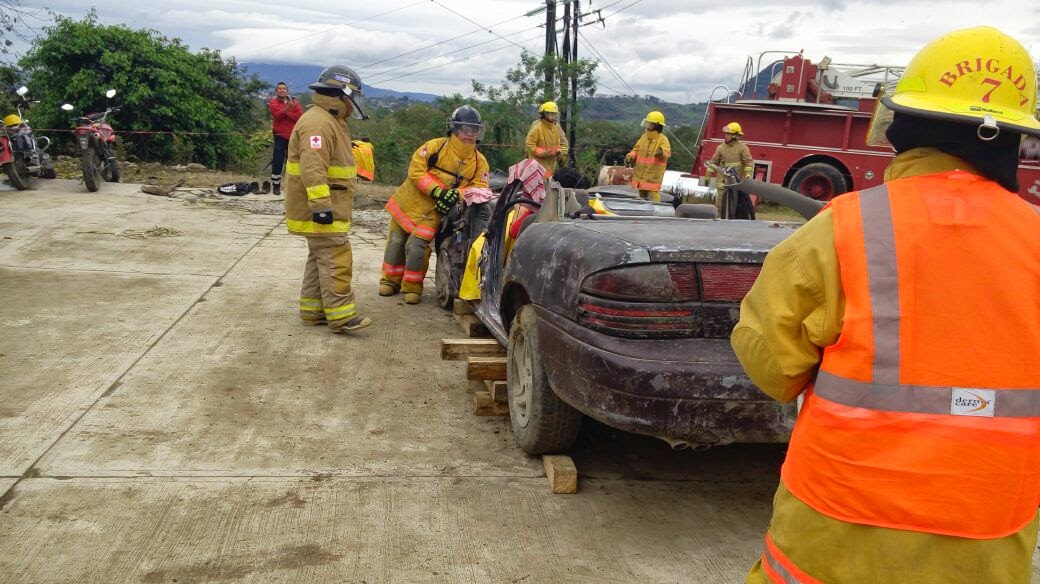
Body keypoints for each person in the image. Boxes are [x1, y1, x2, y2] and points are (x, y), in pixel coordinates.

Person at [732, 26, 1040, 583]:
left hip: (840, 522)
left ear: (908, 124)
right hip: (988, 532)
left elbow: (770, 361)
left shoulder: (846, 228)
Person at [285, 65, 371, 334]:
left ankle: (313, 312)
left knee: (319, 256)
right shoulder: (319, 123)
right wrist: (321, 207)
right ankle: (342, 317)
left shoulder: (327, 119)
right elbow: (313, 167)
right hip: (324, 207)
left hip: (326, 204)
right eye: (352, 96)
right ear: (340, 94)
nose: (354, 102)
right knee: (336, 257)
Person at [380, 105, 489, 305]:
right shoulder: (434, 147)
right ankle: (390, 281)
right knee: (395, 242)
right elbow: (416, 172)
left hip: (432, 213)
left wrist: (456, 194)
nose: (471, 134)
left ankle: (412, 287)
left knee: (417, 246)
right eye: (466, 129)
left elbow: (481, 188)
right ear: (454, 129)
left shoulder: (479, 161)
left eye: (475, 130)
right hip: (408, 203)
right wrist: (437, 191)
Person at [704, 122, 753, 216]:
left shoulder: (743, 148)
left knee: (736, 206)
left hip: (736, 183)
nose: (725, 136)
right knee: (719, 204)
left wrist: (748, 174)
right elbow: (713, 163)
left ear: (735, 136)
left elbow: (748, 163)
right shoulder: (720, 148)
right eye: (725, 133)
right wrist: (708, 176)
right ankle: (719, 221)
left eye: (728, 134)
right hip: (722, 182)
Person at [624, 111, 671, 201]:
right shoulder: (644, 137)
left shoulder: (663, 140)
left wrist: (661, 152)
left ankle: (657, 212)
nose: (647, 125)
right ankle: (642, 213)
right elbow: (636, 150)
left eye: (649, 123)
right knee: (642, 197)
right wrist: (630, 156)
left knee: (654, 196)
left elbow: (667, 153)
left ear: (656, 125)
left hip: (653, 175)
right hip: (640, 174)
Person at [268, 82, 303, 197]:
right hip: (279, 136)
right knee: (277, 161)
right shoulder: (273, 102)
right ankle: (276, 186)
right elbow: (277, 115)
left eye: (284, 88)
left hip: (292, 137)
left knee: (293, 161)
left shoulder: (294, 102)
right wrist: (289, 109)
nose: (282, 90)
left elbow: (299, 116)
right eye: (279, 89)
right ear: (276, 91)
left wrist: (286, 112)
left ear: (287, 91)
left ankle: (292, 186)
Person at [525, 101, 568, 178]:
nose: (554, 115)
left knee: (550, 186)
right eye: (551, 113)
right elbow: (530, 145)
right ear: (544, 114)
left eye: (555, 113)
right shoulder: (537, 127)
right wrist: (545, 153)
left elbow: (564, 142)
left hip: (551, 168)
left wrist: (562, 156)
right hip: (537, 168)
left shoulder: (557, 127)